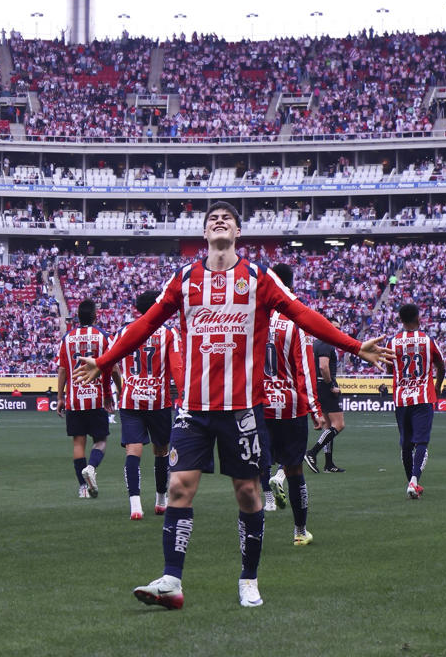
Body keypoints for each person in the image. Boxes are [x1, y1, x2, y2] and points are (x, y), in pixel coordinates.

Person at [76, 201, 390, 609]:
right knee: (177, 487)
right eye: (212, 219)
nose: (219, 222)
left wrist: (351, 345)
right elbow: (145, 324)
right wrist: (103, 361)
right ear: (205, 234)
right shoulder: (185, 279)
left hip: (242, 409)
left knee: (247, 492)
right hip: (193, 409)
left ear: (237, 233)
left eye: (227, 219)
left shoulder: (258, 278)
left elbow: (301, 315)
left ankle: (248, 580)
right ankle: (172, 581)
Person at [260, 264, 323, 548]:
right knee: (295, 470)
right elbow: (305, 371)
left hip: (259, 405)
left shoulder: (254, 320)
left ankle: (255, 528)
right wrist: (315, 409)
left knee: (255, 465)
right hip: (290, 407)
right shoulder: (295, 322)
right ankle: (300, 531)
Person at [113, 289, 183, 520]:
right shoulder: (168, 333)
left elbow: (111, 362)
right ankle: (161, 500)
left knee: (133, 451)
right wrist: (183, 395)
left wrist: (112, 390)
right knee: (161, 451)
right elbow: (177, 367)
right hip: (159, 402)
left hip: (131, 399)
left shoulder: (124, 331)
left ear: (137, 309)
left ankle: (135, 505)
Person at [56, 299, 119, 499]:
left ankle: (83, 488)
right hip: (96, 397)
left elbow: (63, 370)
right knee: (100, 440)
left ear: (77, 317)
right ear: (95, 316)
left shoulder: (67, 338)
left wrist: (60, 398)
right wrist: (119, 389)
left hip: (75, 399)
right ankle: (91, 467)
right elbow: (113, 367)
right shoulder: (103, 337)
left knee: (78, 443)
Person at [387, 303, 445, 499]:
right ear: (418, 318)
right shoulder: (428, 341)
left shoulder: (393, 342)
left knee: (405, 444)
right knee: (421, 441)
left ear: (401, 320)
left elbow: (389, 369)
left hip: (401, 399)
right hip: (423, 397)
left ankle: (411, 482)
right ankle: (414, 481)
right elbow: (441, 366)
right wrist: (437, 386)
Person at [304, 334, 346, 474]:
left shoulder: (315, 344)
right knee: (339, 424)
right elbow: (323, 366)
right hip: (325, 385)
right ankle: (312, 452)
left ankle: (328, 464)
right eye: (335, 328)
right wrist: (331, 385)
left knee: (328, 426)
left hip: (318, 384)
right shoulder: (325, 344)